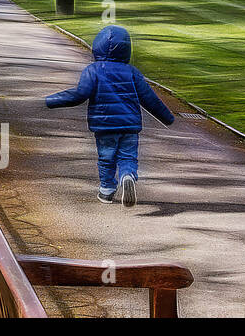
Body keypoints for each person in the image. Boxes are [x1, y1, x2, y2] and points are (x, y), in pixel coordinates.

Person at [45, 25, 175, 206]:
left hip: (105, 125)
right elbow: (149, 99)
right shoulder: (133, 73)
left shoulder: (93, 70)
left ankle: (106, 190)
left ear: (97, 46)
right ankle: (127, 175)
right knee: (128, 156)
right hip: (130, 125)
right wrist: (167, 117)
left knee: (106, 158)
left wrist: (52, 100)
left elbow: (79, 95)